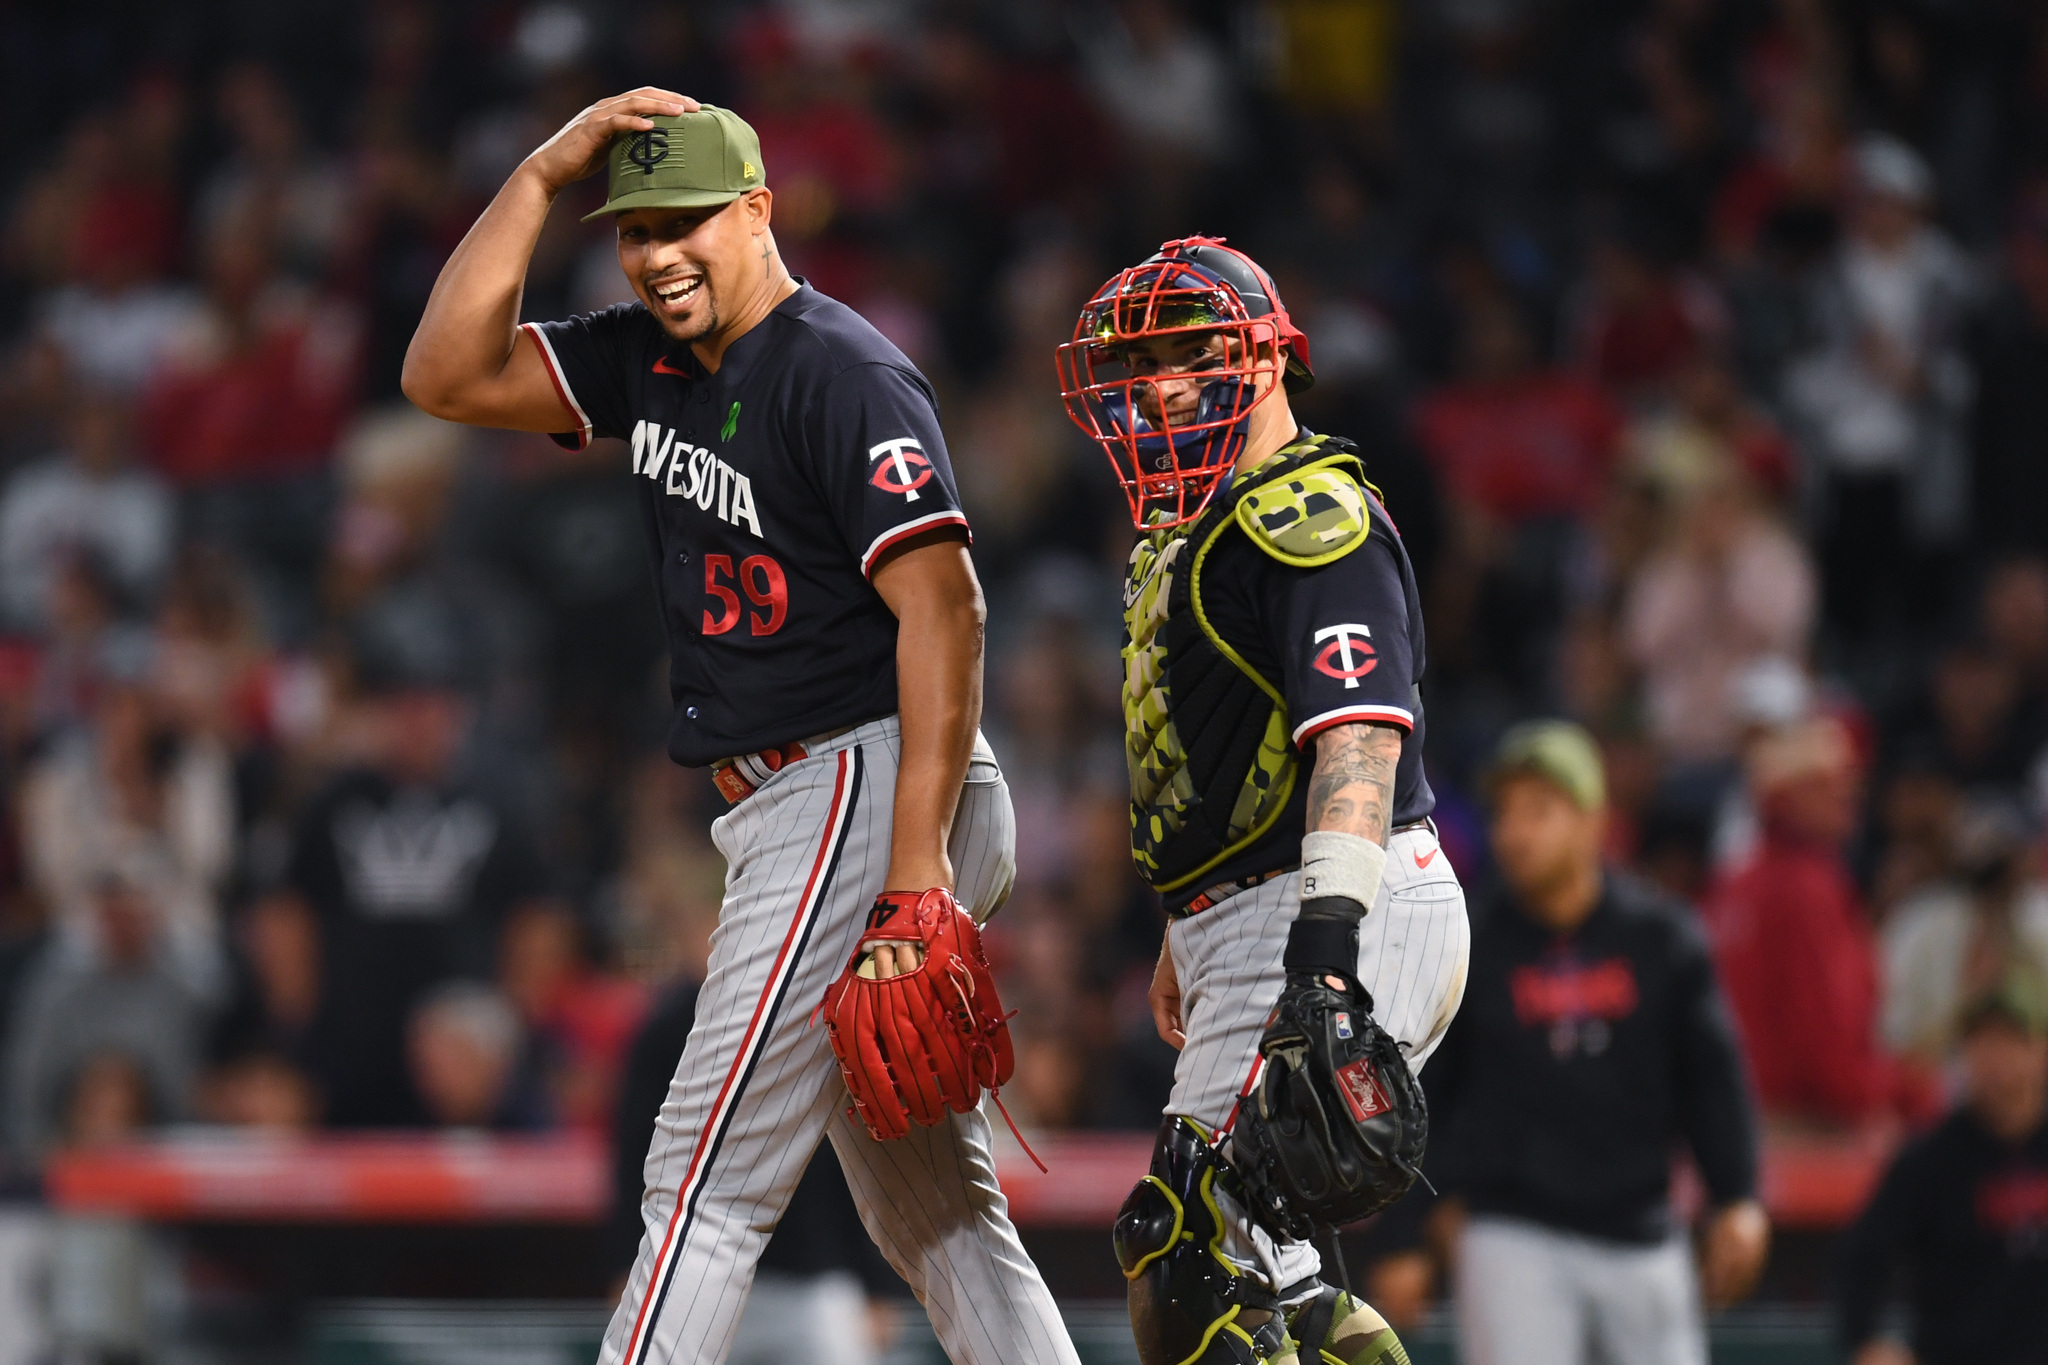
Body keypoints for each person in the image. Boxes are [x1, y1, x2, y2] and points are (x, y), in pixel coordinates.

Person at [402, 92, 1073, 1365]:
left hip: (866, 775)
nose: (658, 255)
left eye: (687, 223)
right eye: (635, 229)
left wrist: (917, 871)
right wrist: (541, 176)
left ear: (759, 212)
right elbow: (443, 373)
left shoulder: (839, 369)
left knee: (701, 1179)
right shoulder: (648, 357)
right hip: (815, 792)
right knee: (931, 1209)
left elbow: (947, 609)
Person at [1055, 236, 1469, 1365]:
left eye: (1188, 350)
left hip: (1330, 899)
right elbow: (1214, 764)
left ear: (1269, 357)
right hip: (1260, 912)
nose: (1158, 385)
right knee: (1281, 1292)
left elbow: (1356, 742)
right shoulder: (1204, 526)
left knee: (1182, 1245)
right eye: (1139, 364)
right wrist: (1188, 936)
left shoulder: (1307, 516)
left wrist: (1321, 959)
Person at [1367, 721, 1768, 1365]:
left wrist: (1739, 1196)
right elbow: (1424, 1100)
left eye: (1539, 810)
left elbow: (1712, 1079)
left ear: (1591, 821)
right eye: (1506, 812)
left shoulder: (1660, 937)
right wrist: (1404, 1238)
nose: (1515, 832)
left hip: (1643, 1229)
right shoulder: (1472, 942)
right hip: (1513, 1232)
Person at [1835, 986, 2048, 1365]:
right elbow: (1862, 1258)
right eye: (1981, 1043)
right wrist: (1867, 1340)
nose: (1996, 1059)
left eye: (2012, 1041)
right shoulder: (1930, 1160)